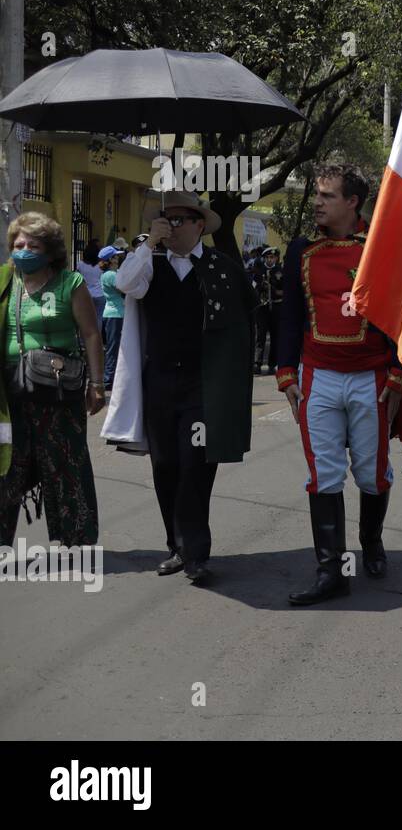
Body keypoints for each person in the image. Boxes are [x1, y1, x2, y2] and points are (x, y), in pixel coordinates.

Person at [277, 166, 402, 605]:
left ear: (352, 201)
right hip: (316, 376)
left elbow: (401, 311)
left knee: (372, 475)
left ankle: (371, 542)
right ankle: (331, 571)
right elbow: (288, 314)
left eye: (327, 195)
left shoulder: (381, 248)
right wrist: (285, 372)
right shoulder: (300, 250)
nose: (317, 202)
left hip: (371, 379)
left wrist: (398, 373)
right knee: (323, 473)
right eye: (318, 194)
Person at [101, 191, 255, 585]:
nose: (170, 227)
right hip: (160, 381)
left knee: (197, 465)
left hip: (202, 385)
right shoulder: (148, 266)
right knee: (166, 465)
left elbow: (245, 321)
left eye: (179, 221)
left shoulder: (221, 268)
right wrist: (148, 243)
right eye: (165, 220)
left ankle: (197, 552)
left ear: (200, 225)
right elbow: (123, 283)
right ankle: (176, 545)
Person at [0, 213, 105, 549]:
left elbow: (90, 334)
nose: (23, 250)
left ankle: (77, 540)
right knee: (7, 465)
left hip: (58, 390)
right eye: (18, 244)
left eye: (33, 245)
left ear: (49, 251)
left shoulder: (69, 283)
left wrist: (97, 384)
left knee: (66, 462)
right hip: (7, 395)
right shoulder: (4, 280)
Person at [251, 246, 284, 375]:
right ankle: (257, 363)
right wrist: (260, 287)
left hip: (276, 307)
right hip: (263, 308)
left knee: (275, 337)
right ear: (265, 258)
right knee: (260, 336)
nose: (271, 260)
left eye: (273, 257)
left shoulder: (280, 271)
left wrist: (274, 290)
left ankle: (272, 364)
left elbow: (285, 290)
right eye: (268, 257)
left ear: (276, 258)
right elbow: (253, 289)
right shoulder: (259, 271)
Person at [99, 245, 126, 392]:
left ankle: (111, 377)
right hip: (115, 315)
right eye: (115, 257)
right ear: (110, 260)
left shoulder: (111, 273)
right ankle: (109, 379)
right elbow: (124, 287)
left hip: (114, 314)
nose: (118, 258)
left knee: (114, 348)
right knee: (113, 349)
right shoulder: (110, 275)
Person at [76, 241, 105, 325]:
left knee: (85, 318)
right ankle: (98, 336)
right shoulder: (101, 265)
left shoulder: (80, 264)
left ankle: (84, 337)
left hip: (85, 294)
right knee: (98, 318)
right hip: (99, 293)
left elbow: (77, 278)